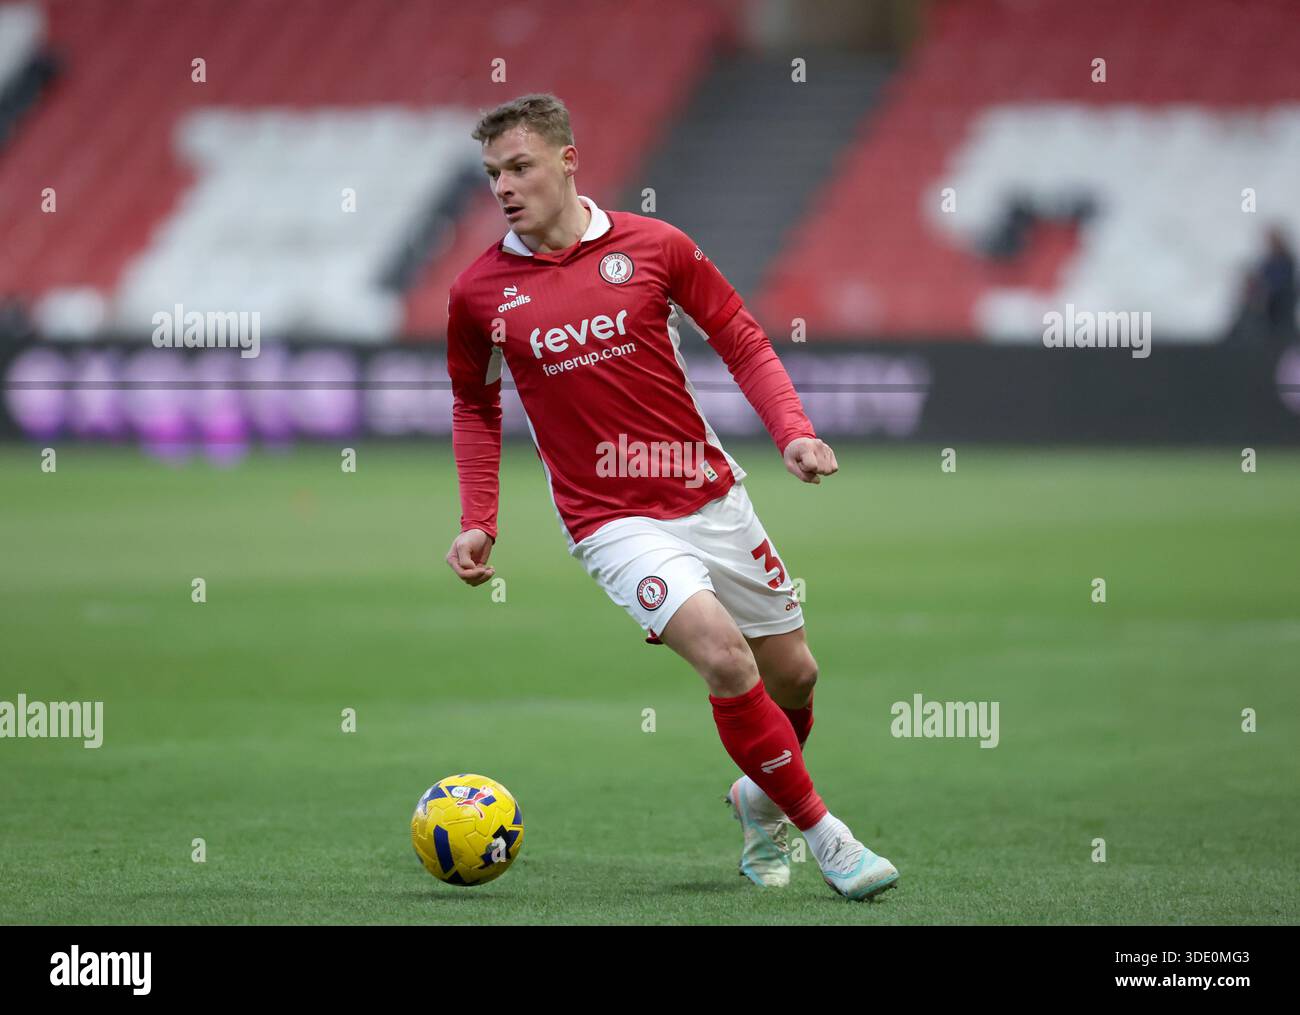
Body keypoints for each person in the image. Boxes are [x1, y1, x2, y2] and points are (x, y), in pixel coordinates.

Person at [443, 93, 897, 900]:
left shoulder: (654, 246)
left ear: (567, 159)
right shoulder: (480, 294)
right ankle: (828, 836)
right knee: (725, 657)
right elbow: (475, 404)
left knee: (794, 676)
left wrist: (792, 428)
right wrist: (480, 519)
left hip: (710, 495)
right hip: (610, 520)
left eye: (520, 167)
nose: (504, 187)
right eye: (492, 174)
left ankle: (760, 799)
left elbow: (738, 332)